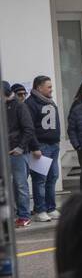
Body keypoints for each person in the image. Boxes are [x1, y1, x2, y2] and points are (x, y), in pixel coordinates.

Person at [25, 75, 61, 222]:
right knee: (40, 179)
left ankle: (51, 208)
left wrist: (57, 141)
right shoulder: (30, 103)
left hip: (53, 145)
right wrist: (34, 147)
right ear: (39, 88)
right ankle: (40, 210)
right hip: (41, 146)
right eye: (49, 87)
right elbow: (29, 128)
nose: (51, 89)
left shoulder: (50, 102)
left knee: (52, 177)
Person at [4, 80, 37, 228]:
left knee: (20, 185)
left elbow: (29, 129)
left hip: (17, 153)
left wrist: (20, 147)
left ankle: (24, 216)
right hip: (5, 152)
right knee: (7, 186)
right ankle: (12, 215)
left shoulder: (19, 106)